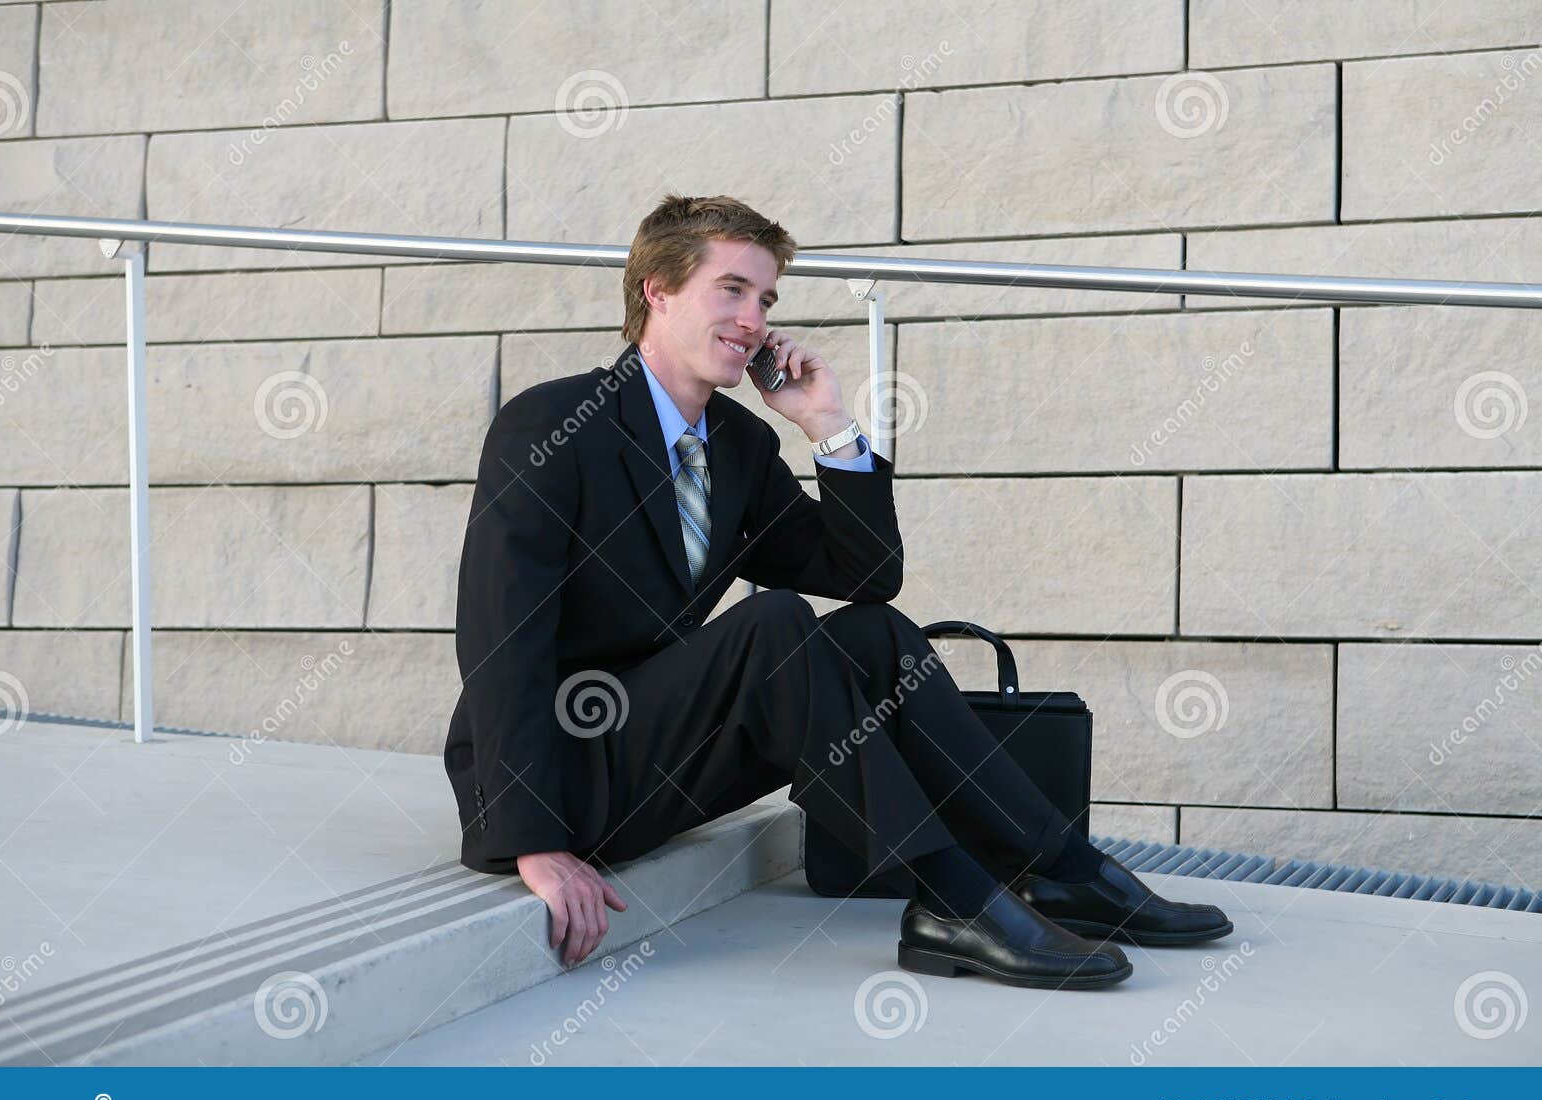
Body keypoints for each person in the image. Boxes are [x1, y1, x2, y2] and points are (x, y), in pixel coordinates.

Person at [443, 193, 1231, 990]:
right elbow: (500, 636)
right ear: (657, 287)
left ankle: (1060, 866)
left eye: (767, 300)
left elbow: (864, 577)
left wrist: (828, 427)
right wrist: (534, 840)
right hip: (560, 765)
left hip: (657, 750)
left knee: (878, 636)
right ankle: (951, 897)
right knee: (775, 621)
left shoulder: (738, 443)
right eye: (732, 289)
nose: (754, 319)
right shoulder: (552, 422)